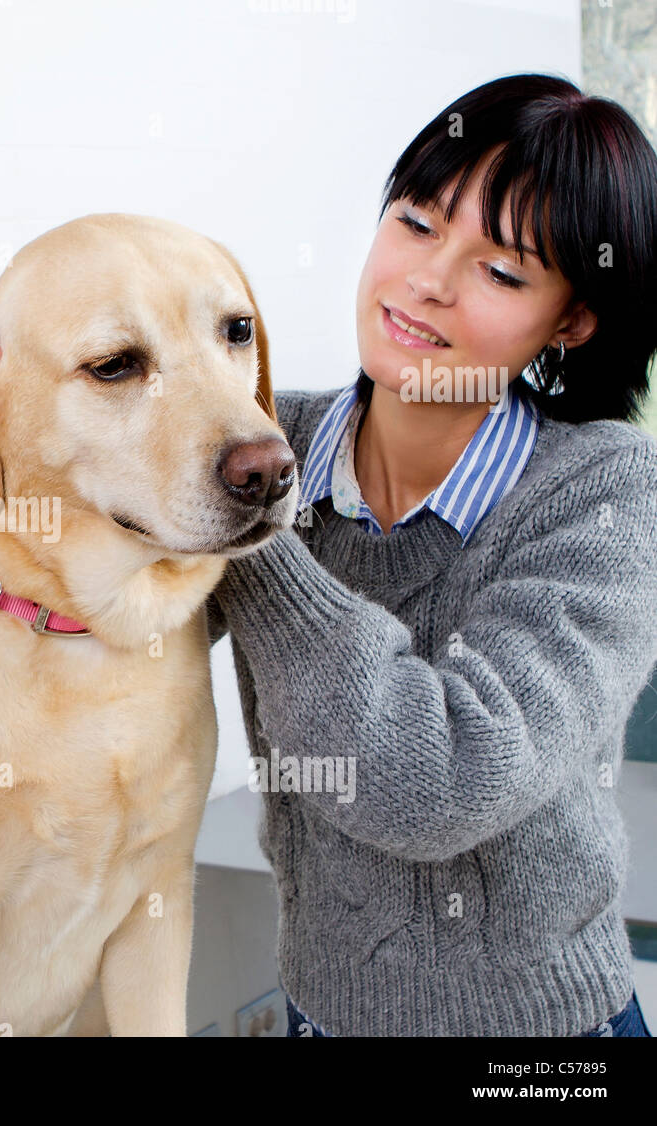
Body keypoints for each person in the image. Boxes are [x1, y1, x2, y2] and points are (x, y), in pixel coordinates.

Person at [208, 73, 657, 1037]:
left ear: (571, 320)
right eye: (417, 221)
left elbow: (440, 777)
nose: (428, 280)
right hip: (320, 1015)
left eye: (503, 273)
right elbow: (95, 613)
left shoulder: (608, 491)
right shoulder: (266, 444)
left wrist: (256, 520)